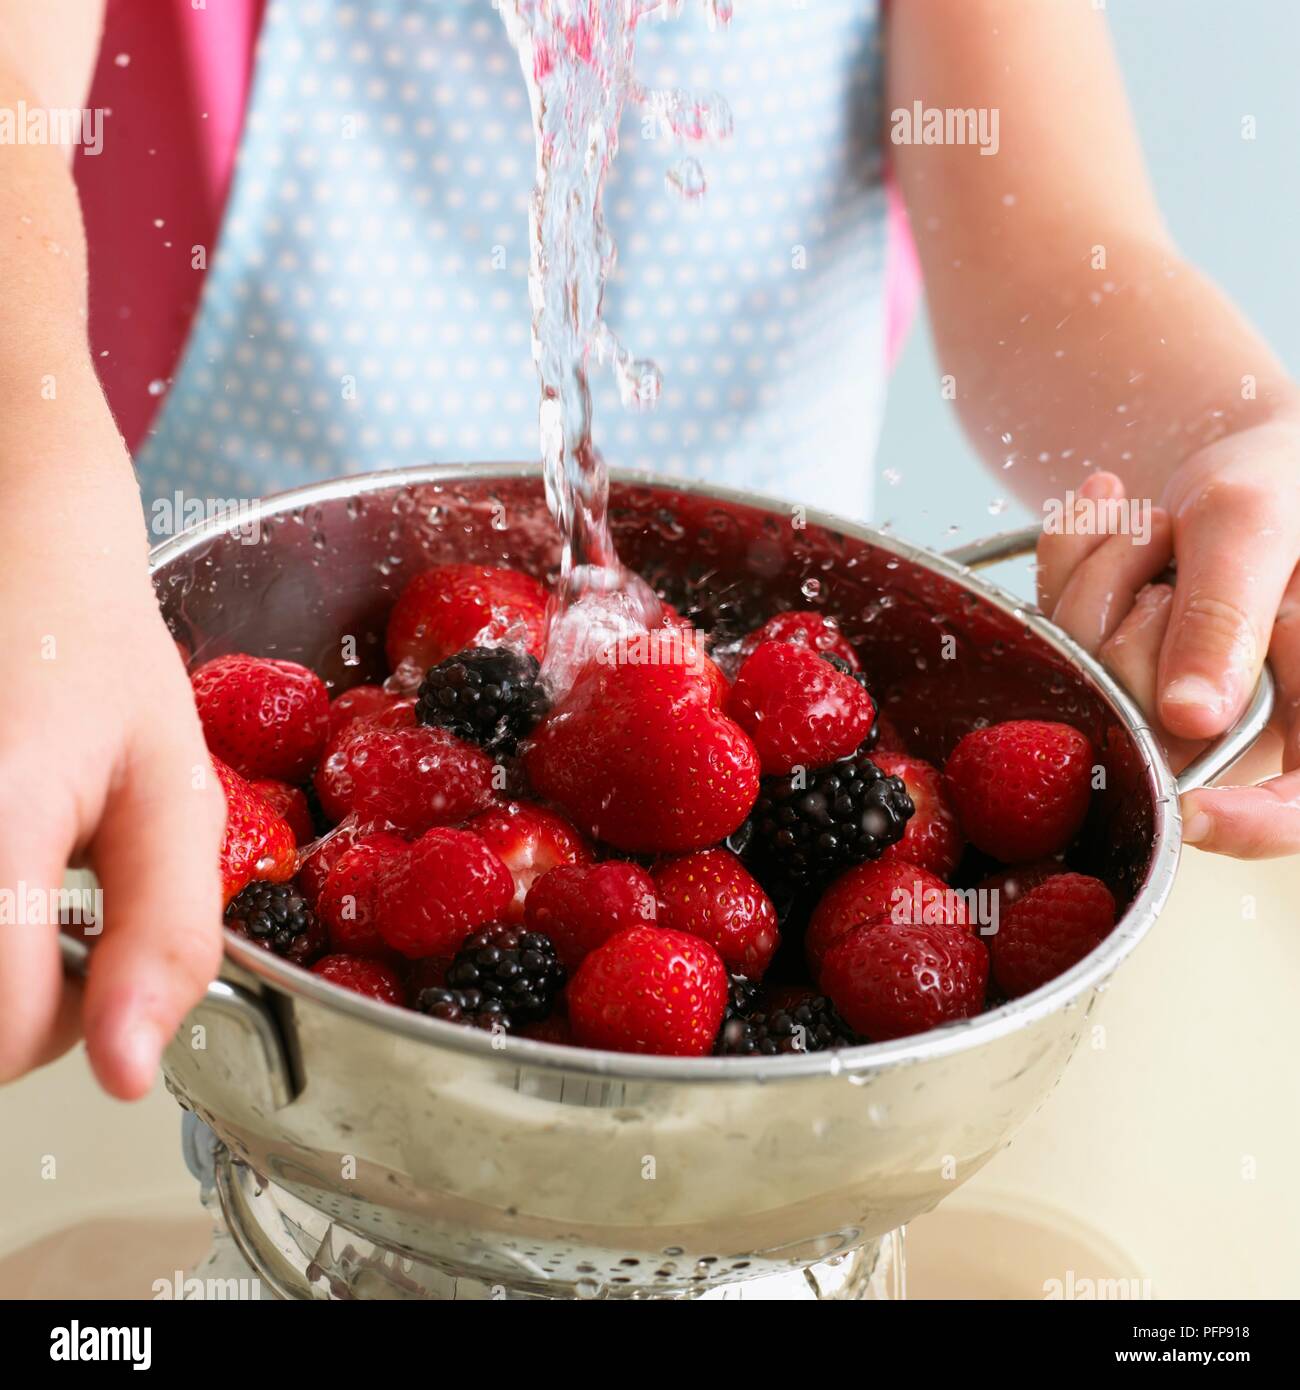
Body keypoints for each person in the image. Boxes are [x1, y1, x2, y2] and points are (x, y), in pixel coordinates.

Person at [0, 0, 1295, 1101]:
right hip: (171, 869)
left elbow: (1060, 267)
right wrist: (33, 505)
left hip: (769, 746)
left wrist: (1230, 436)